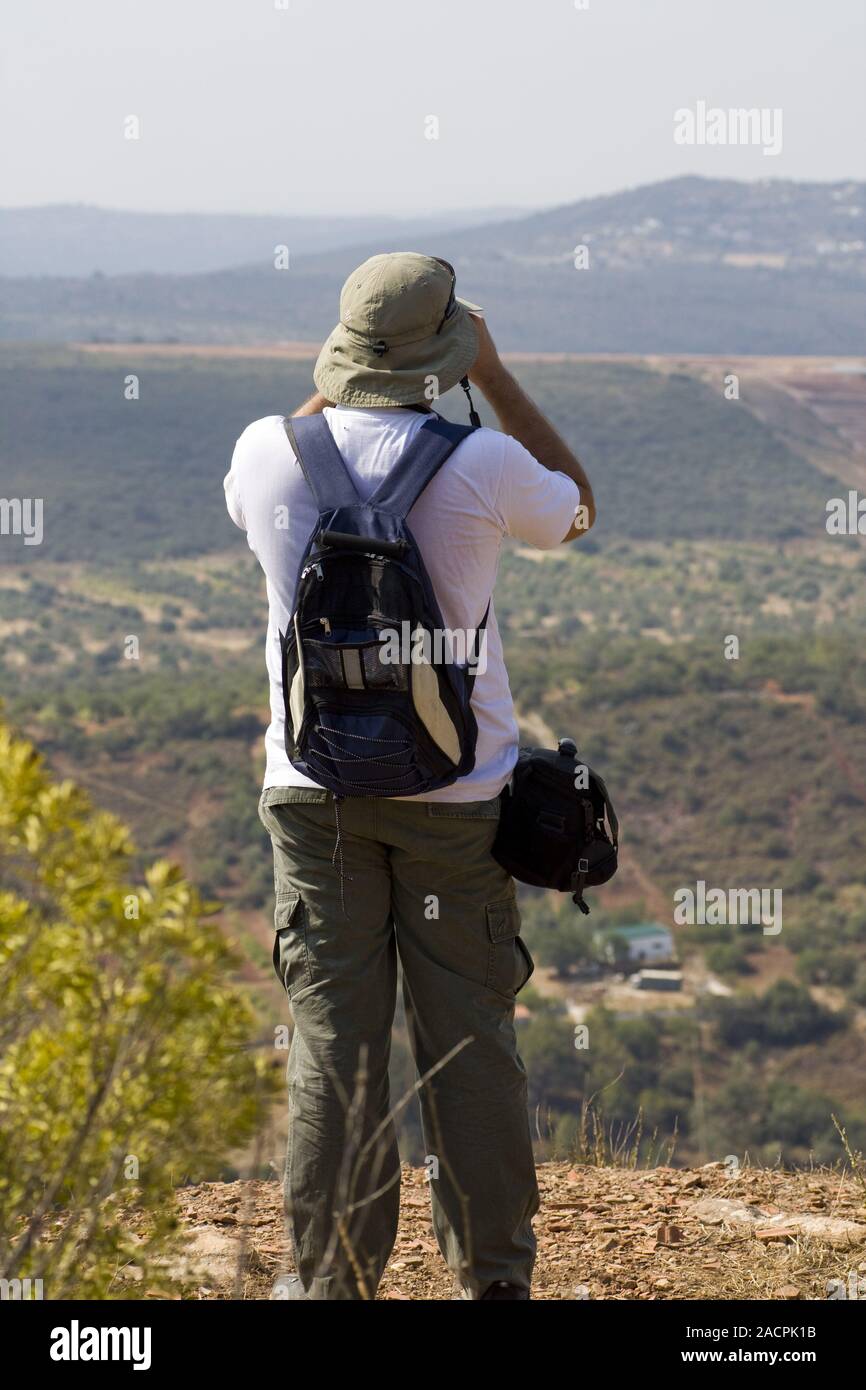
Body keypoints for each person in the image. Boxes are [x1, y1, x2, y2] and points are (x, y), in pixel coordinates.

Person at [223, 252, 595, 1300]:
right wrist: (495, 372)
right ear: (446, 352)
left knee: (334, 1046)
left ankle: (328, 1281)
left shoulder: (264, 455)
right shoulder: (481, 465)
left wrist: (343, 376)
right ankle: (493, 1281)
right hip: (456, 800)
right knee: (468, 1042)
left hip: (313, 796)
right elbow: (577, 509)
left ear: (342, 350)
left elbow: (280, 453)